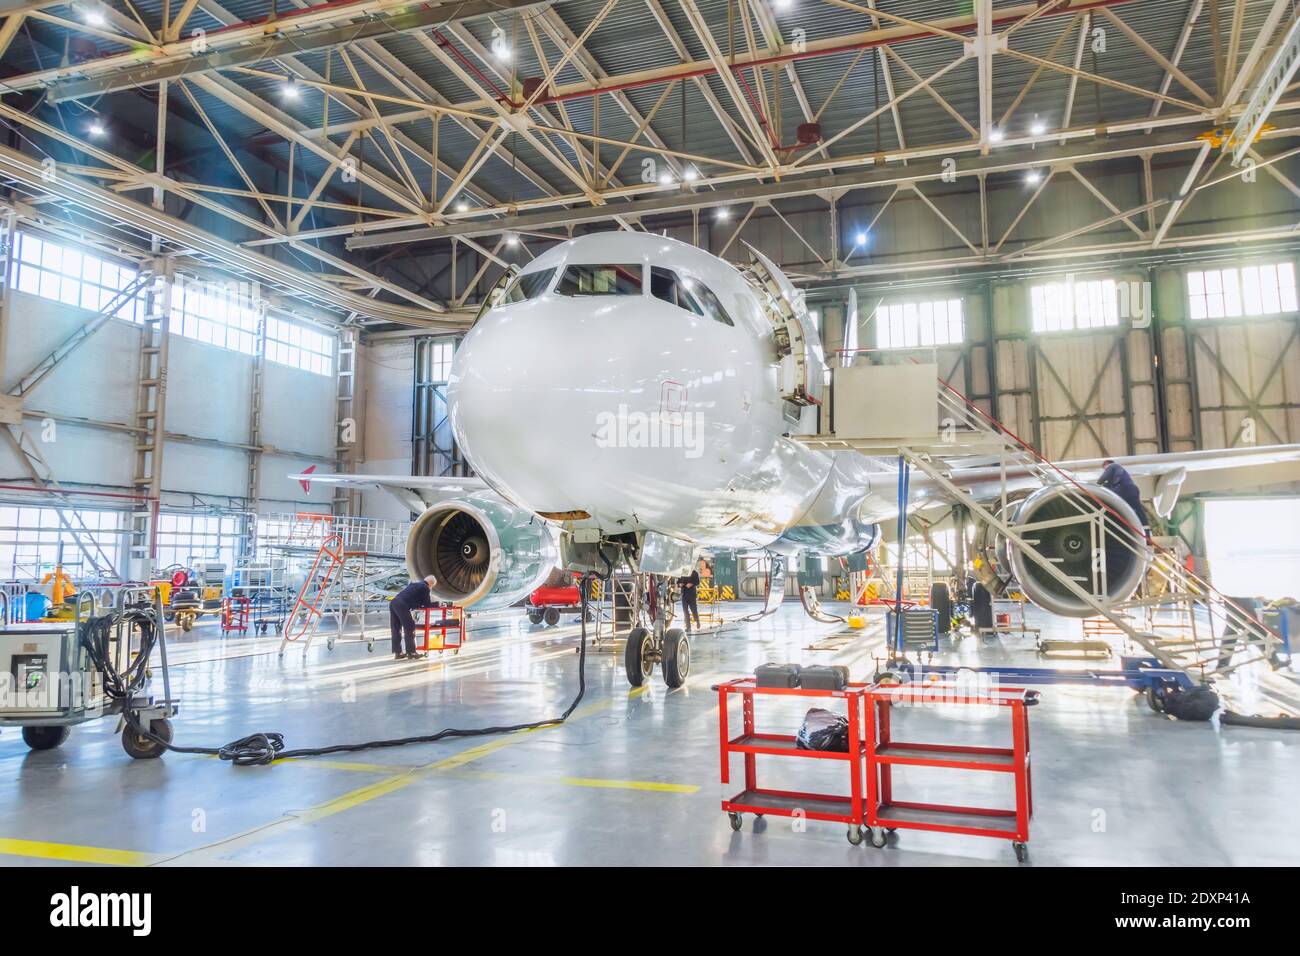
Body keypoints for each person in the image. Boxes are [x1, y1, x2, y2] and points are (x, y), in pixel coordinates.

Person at [1097, 458, 1151, 543]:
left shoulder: (1112, 466)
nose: (1105, 470)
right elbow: (1108, 484)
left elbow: (1102, 480)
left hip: (1122, 489)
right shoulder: (1121, 474)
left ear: (1106, 465)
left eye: (1104, 468)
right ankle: (1147, 535)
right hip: (1133, 490)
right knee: (1138, 511)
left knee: (1113, 508)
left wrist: (1097, 487)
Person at [390, 574, 438, 660]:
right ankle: (411, 652)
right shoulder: (425, 588)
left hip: (394, 602)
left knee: (396, 628)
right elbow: (427, 605)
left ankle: (398, 652)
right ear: (431, 584)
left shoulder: (414, 584)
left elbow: (413, 598)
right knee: (410, 627)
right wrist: (439, 604)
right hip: (402, 605)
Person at [678, 565, 701, 633]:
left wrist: (691, 584)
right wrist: (680, 584)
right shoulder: (683, 573)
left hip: (692, 594)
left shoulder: (694, 573)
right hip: (684, 594)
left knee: (693, 610)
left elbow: (697, 582)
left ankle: (697, 621)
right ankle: (688, 627)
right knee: (685, 611)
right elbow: (678, 582)